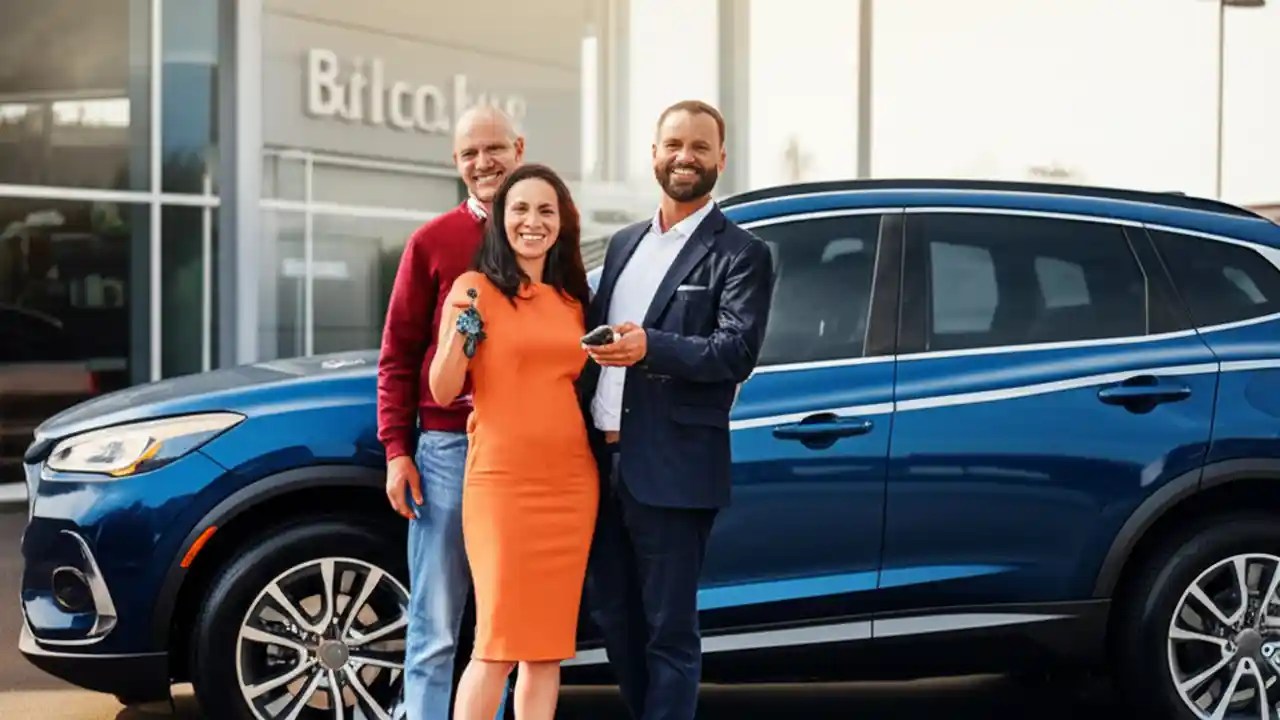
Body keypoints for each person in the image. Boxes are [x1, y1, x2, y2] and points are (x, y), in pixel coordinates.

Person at [579, 100, 775, 720]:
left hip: (674, 468)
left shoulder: (742, 253)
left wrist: (650, 347)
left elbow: (734, 351)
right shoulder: (623, 244)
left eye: (698, 146)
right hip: (600, 462)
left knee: (669, 631)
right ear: (654, 153)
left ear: (721, 158)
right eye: (672, 144)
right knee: (616, 621)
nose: (684, 157)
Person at [428, 163, 598, 720]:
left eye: (545, 210)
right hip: (501, 485)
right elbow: (444, 387)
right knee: (496, 644)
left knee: (546, 650)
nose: (533, 221)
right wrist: (462, 334)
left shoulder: (574, 299)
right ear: (501, 221)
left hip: (571, 485)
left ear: (561, 223)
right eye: (520, 209)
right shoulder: (473, 289)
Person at [376, 104, 524, 720]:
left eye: (494, 149)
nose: (484, 163)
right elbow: (398, 355)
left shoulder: (547, 232)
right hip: (445, 455)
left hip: (524, 453)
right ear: (456, 162)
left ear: (518, 149)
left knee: (508, 627)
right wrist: (396, 451)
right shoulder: (432, 243)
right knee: (435, 624)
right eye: (470, 153)